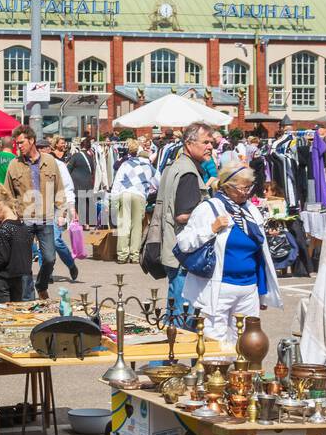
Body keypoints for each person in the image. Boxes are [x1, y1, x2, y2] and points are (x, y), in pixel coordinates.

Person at [174, 161, 282, 341]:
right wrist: (211, 228)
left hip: (248, 288)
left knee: (245, 342)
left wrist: (262, 292)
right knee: (215, 343)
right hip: (218, 287)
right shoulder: (208, 208)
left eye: (250, 187)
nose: (247, 192)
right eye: (242, 188)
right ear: (227, 187)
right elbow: (184, 243)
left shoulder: (251, 210)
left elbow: (259, 254)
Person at [156, 122, 212, 320]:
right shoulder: (188, 173)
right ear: (189, 143)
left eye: (211, 142)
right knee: (182, 314)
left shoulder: (176, 166)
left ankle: (171, 345)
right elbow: (182, 215)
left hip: (174, 249)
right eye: (205, 142)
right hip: (184, 253)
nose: (210, 146)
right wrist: (210, 212)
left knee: (174, 312)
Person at [4, 125, 65, 299]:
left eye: (21, 142)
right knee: (24, 262)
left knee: (49, 258)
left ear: (31, 141)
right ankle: (27, 298)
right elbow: (8, 194)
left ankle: (42, 284)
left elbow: (59, 188)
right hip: (24, 219)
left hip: (46, 218)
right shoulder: (14, 165)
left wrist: (62, 212)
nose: (19, 146)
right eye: (17, 143)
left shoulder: (50, 161)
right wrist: (10, 218)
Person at [110, 139, 158, 263]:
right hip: (140, 196)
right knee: (137, 226)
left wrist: (113, 199)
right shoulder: (149, 167)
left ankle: (122, 256)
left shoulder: (126, 164)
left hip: (124, 194)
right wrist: (149, 189)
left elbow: (117, 181)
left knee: (124, 225)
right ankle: (134, 255)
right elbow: (159, 181)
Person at [46, 136, 80, 281]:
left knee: (55, 240)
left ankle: (70, 263)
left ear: (49, 149)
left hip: (57, 207)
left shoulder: (59, 165)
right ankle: (46, 274)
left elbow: (68, 188)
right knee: (43, 243)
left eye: (44, 148)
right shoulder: (30, 166)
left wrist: (72, 208)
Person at [66, 137, 95, 227]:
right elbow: (93, 170)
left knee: (79, 204)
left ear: (81, 145)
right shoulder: (90, 157)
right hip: (88, 183)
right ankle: (88, 223)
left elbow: (68, 169)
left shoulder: (76, 156)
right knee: (87, 203)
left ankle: (82, 223)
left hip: (78, 184)